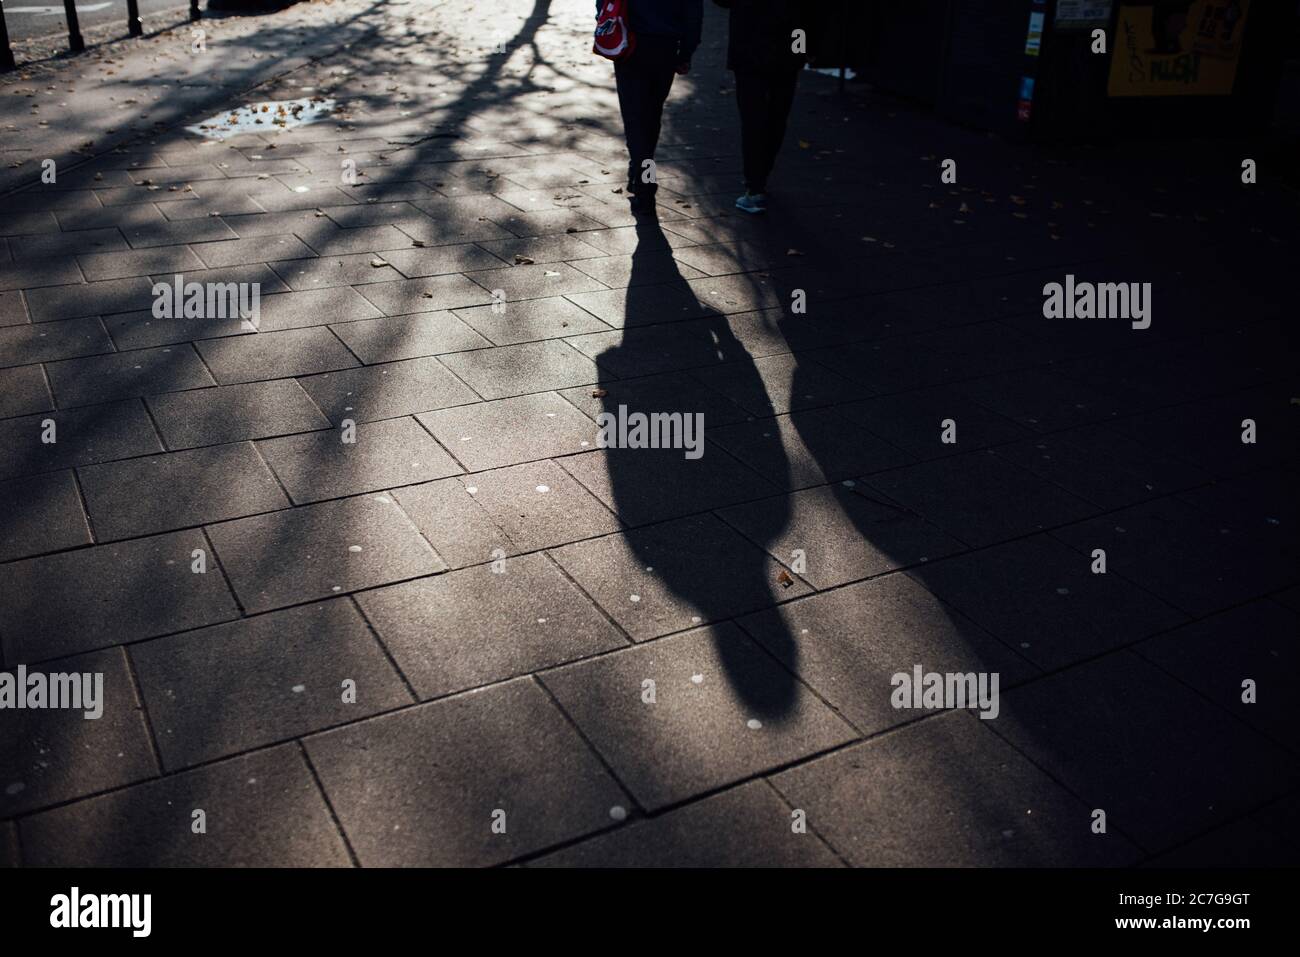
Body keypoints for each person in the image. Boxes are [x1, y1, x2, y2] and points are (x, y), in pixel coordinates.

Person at [602, 0, 704, 214]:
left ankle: (644, 181)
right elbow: (693, 13)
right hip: (665, 48)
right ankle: (642, 176)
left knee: (635, 119)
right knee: (650, 118)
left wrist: (607, 25)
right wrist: (686, 53)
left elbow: (604, 5)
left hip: (629, 45)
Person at [713, 0, 807, 213]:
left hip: (749, 48)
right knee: (777, 115)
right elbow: (808, 12)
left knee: (753, 118)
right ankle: (761, 175)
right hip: (787, 51)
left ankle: (755, 185)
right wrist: (800, 52)